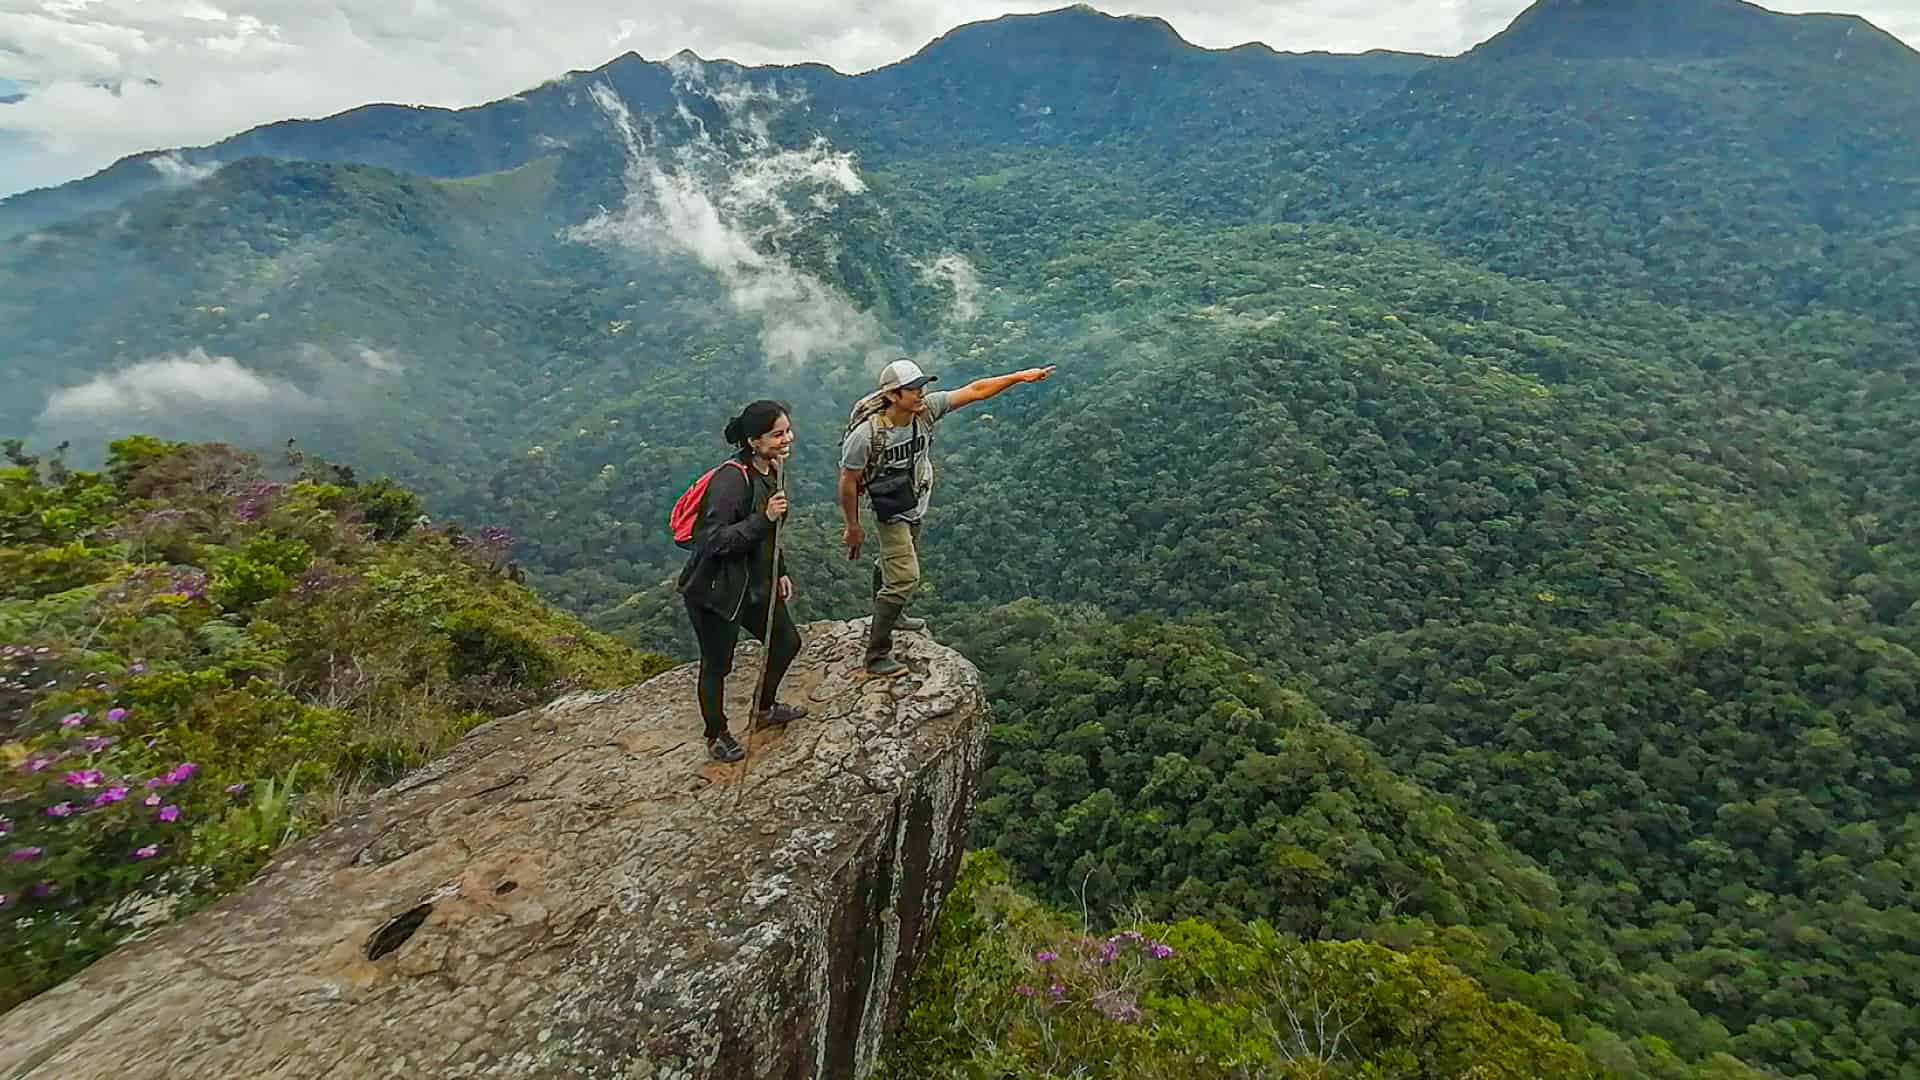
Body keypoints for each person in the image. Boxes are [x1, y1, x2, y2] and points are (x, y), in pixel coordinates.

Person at [839, 358, 1055, 678]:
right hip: (890, 509)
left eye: (923, 386)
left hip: (916, 498)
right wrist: (853, 526)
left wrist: (1020, 376)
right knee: (905, 578)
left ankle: (894, 615)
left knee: (896, 563)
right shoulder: (866, 436)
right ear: (894, 396)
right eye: (914, 389)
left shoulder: (925, 411)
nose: (922, 393)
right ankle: (876, 654)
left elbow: (975, 390)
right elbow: (848, 482)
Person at [678, 400, 806, 763]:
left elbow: (771, 535)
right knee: (718, 663)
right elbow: (713, 540)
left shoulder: (769, 470)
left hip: (753, 583)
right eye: (777, 434)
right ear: (753, 440)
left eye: (787, 431)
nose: (787, 439)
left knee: (786, 641)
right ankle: (716, 733)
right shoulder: (731, 480)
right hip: (717, 590)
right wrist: (763, 518)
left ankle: (764, 709)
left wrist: (779, 570)